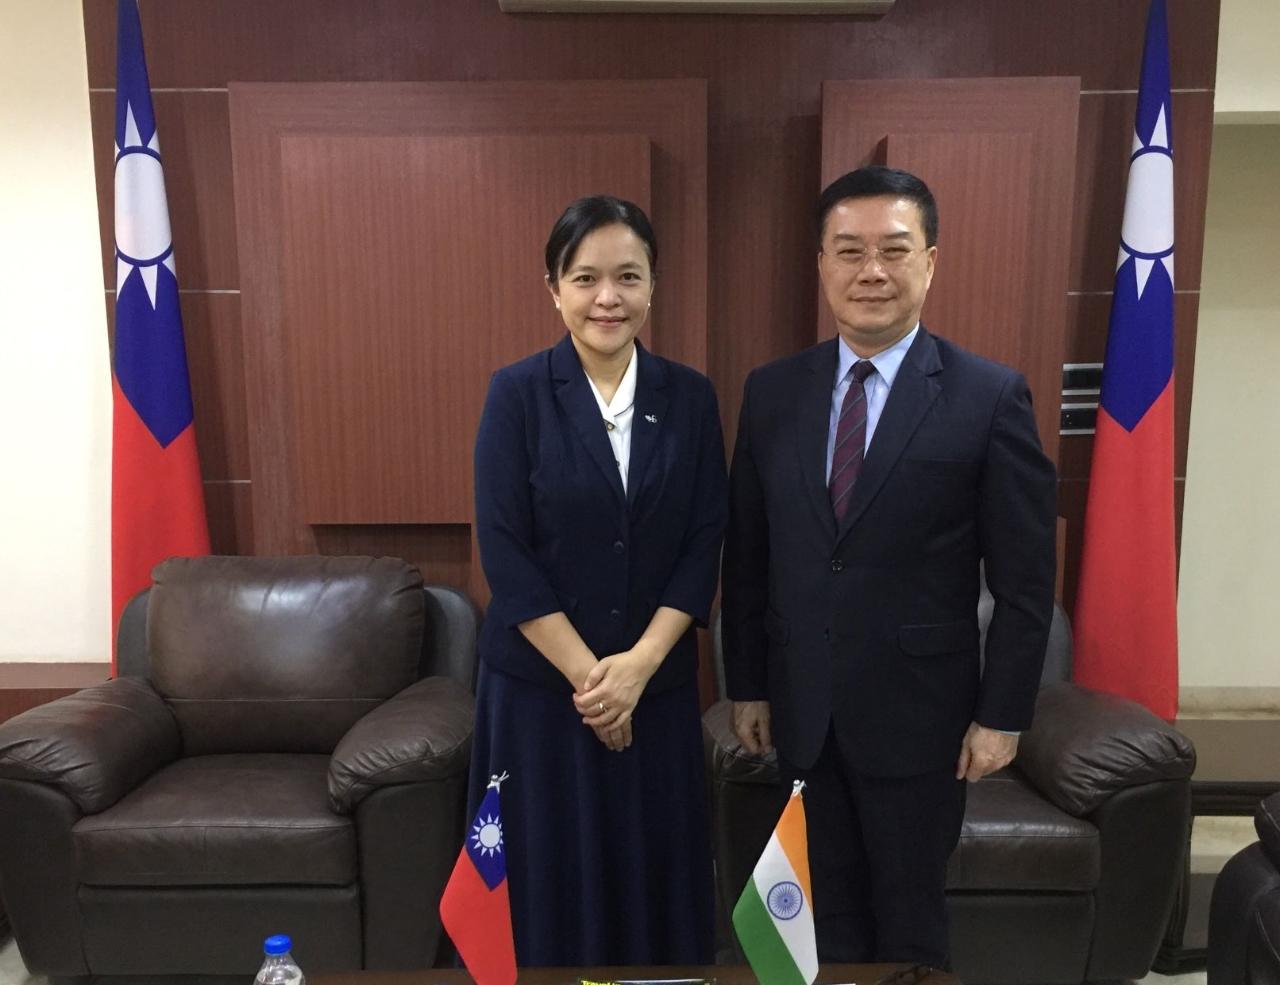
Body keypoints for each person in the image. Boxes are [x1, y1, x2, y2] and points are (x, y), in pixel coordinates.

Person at [721, 166, 1057, 967]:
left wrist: (1003, 711)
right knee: (815, 926)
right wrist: (750, 684)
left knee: (909, 923)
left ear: (931, 261)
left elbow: (1025, 577)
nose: (871, 270)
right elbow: (750, 553)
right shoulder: (772, 393)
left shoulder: (989, 395)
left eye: (894, 250)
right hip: (802, 715)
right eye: (849, 250)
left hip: (922, 721)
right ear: (822, 266)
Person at [470, 195, 726, 965]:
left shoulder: (691, 396)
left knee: (653, 875)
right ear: (554, 288)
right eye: (585, 277)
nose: (607, 297)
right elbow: (506, 553)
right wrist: (593, 682)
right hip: (543, 700)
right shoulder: (516, 393)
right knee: (548, 885)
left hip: (658, 693)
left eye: (627, 276)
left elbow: (703, 539)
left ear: (654, 287)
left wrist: (639, 668)